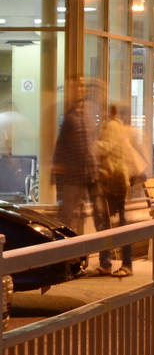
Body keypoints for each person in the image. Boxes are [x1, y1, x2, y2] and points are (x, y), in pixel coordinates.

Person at [93, 103, 144, 276]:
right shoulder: (119, 127)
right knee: (113, 223)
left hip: (115, 180)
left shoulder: (112, 126)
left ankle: (118, 263)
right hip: (119, 179)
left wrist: (89, 144)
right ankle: (111, 262)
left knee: (111, 224)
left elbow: (106, 147)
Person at [52, 78, 99, 237]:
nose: (80, 90)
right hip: (74, 175)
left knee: (92, 215)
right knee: (68, 216)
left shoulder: (86, 114)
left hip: (89, 173)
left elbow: (91, 142)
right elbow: (62, 145)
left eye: (82, 86)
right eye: (77, 87)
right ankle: (66, 247)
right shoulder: (71, 117)